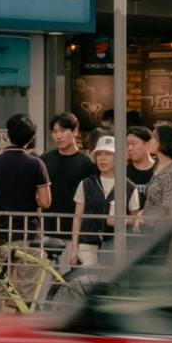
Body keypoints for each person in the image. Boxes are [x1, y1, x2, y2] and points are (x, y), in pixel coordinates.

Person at [0, 115, 49, 218]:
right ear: (31, 138)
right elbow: (45, 202)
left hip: (0, 228)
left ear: (7, 134)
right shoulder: (37, 164)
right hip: (28, 227)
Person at [70, 136, 117, 266]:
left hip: (115, 246)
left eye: (107, 154)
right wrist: (74, 249)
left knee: (109, 284)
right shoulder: (86, 183)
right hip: (87, 244)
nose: (102, 158)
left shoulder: (127, 186)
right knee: (86, 283)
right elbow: (77, 218)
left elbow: (134, 218)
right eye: (99, 154)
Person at [40, 114, 96, 221]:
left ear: (75, 131)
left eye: (63, 130)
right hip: (47, 227)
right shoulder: (44, 160)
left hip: (76, 227)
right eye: (55, 131)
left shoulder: (86, 163)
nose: (58, 136)